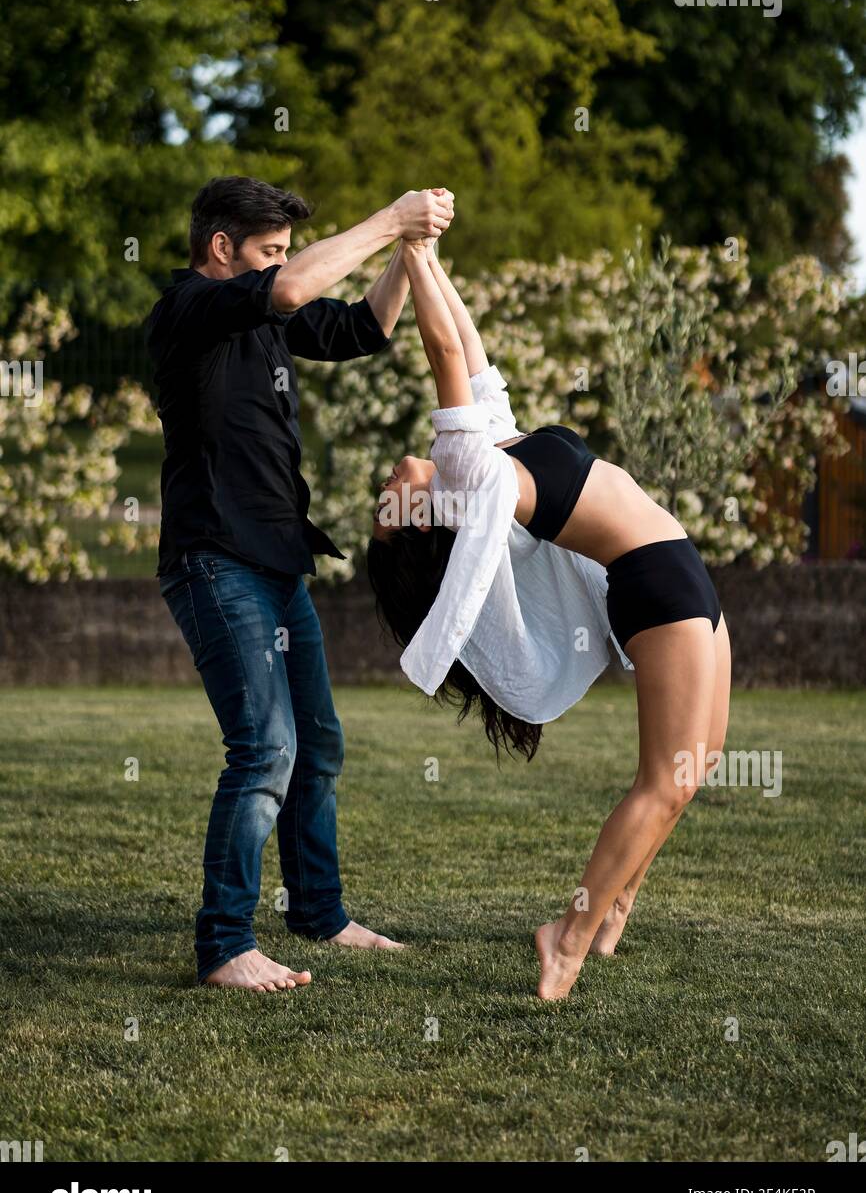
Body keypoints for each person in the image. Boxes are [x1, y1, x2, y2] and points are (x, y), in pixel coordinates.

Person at [367, 237, 731, 1001]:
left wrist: (425, 251)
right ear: (419, 522)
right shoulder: (466, 469)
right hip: (651, 582)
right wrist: (404, 238)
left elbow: (465, 342)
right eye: (384, 511)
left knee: (696, 768)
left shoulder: (496, 434)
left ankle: (617, 901)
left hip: (679, 569)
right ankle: (564, 936)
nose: (385, 485)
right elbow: (435, 344)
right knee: (663, 781)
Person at [147, 175, 454, 991]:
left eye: (284, 249)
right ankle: (223, 944)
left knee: (316, 746)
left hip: (279, 563)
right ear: (223, 249)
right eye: (267, 248)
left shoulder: (266, 318)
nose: (281, 266)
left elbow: (364, 327)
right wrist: (387, 216)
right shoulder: (189, 308)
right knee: (264, 748)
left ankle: (318, 912)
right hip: (215, 561)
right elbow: (287, 287)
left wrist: (406, 249)